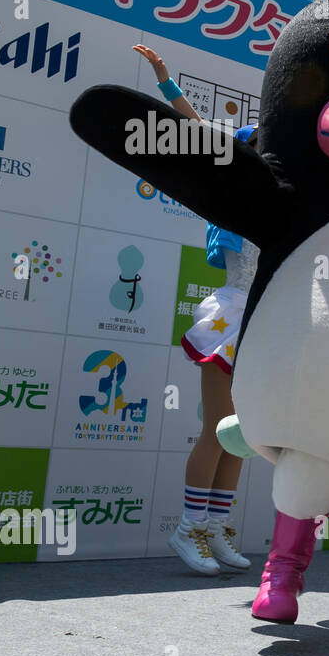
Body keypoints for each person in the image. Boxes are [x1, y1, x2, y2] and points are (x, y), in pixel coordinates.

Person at [132, 44, 259, 576]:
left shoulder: (295, 196)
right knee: (218, 427)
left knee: (244, 434)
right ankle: (188, 528)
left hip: (265, 321)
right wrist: (165, 81)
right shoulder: (240, 162)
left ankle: (215, 528)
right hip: (231, 317)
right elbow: (196, 129)